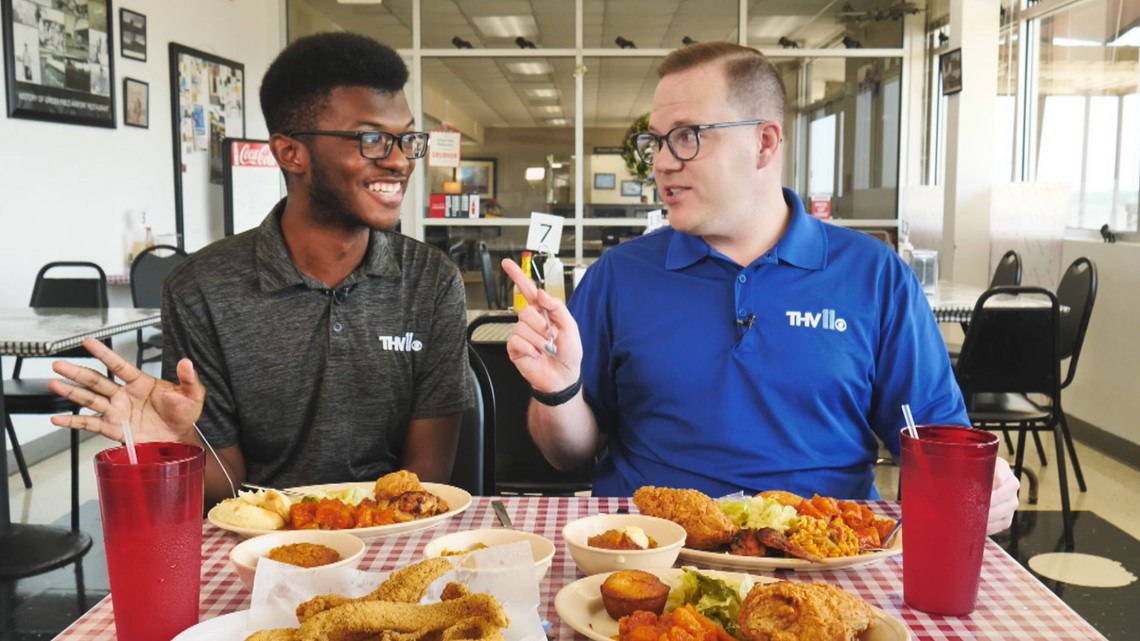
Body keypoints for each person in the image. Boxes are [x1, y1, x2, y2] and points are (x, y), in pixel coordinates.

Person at [502, 42, 1019, 534]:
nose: (660, 162)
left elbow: (937, 445)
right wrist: (558, 392)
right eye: (656, 140)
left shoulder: (875, 276)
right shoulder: (618, 275)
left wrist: (985, 485)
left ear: (764, 142)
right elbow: (566, 455)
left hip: (822, 563)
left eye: (687, 136)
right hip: (652, 561)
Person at [49, 32, 472, 507]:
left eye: (406, 138)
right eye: (372, 139)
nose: (399, 161)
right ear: (291, 153)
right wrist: (182, 446)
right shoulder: (202, 290)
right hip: (260, 541)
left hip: (394, 534)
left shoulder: (431, 282)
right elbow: (226, 491)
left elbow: (424, 485)